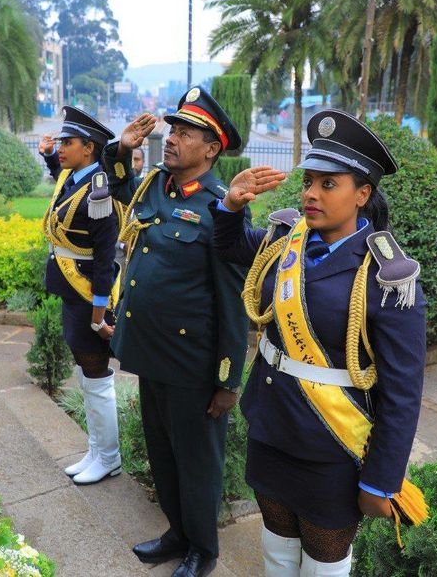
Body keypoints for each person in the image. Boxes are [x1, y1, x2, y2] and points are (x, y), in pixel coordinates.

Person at [211, 110, 428, 577]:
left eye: (329, 184)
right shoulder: (284, 241)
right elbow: (228, 248)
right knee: (276, 546)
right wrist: (231, 204)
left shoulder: (388, 277)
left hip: (330, 446)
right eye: (309, 181)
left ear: (363, 194)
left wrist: (382, 479)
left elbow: (403, 392)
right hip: (270, 428)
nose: (310, 193)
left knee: (324, 562)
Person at [101, 87, 250, 577]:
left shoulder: (221, 206)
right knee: (163, 456)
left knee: (196, 463)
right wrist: (121, 149)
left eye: (187, 133)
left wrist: (228, 381)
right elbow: (118, 186)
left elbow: (232, 299)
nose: (173, 139)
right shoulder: (154, 187)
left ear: (212, 148)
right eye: (173, 130)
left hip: (193, 363)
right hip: (150, 354)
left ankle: (203, 550)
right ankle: (176, 534)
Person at [42, 106, 123, 485]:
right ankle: (96, 451)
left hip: (87, 294)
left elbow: (106, 256)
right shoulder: (74, 178)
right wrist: (49, 157)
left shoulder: (98, 190)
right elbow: (58, 183)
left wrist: (99, 312)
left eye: (67, 143)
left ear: (89, 148)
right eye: (60, 143)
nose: (61, 149)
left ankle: (108, 457)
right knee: (88, 378)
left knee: (97, 376)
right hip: (71, 293)